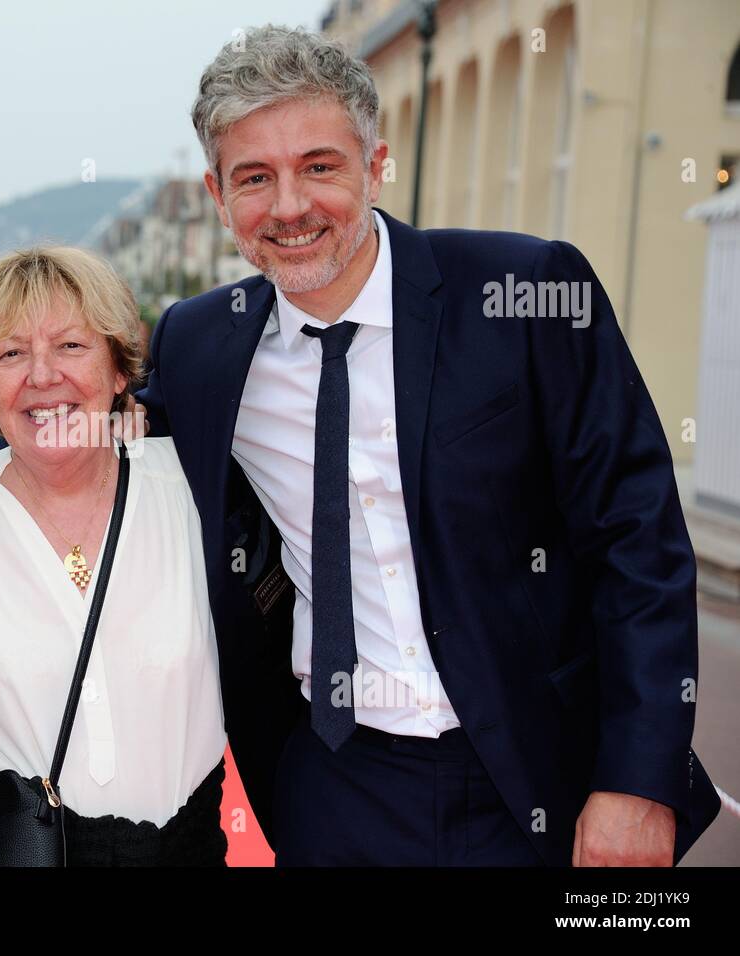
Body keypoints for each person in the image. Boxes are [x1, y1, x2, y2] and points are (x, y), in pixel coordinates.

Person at [132, 25, 720, 866]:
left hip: (542, 778)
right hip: (333, 784)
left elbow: (641, 543)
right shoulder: (198, 344)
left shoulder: (527, 293)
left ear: (375, 166)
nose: (290, 206)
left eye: (320, 166)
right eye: (255, 177)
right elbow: (95, 441)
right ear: (217, 194)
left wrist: (639, 778)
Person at [0, 246, 227, 866]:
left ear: (118, 368)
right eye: (11, 353)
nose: (42, 376)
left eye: (71, 347)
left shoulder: (197, 490)